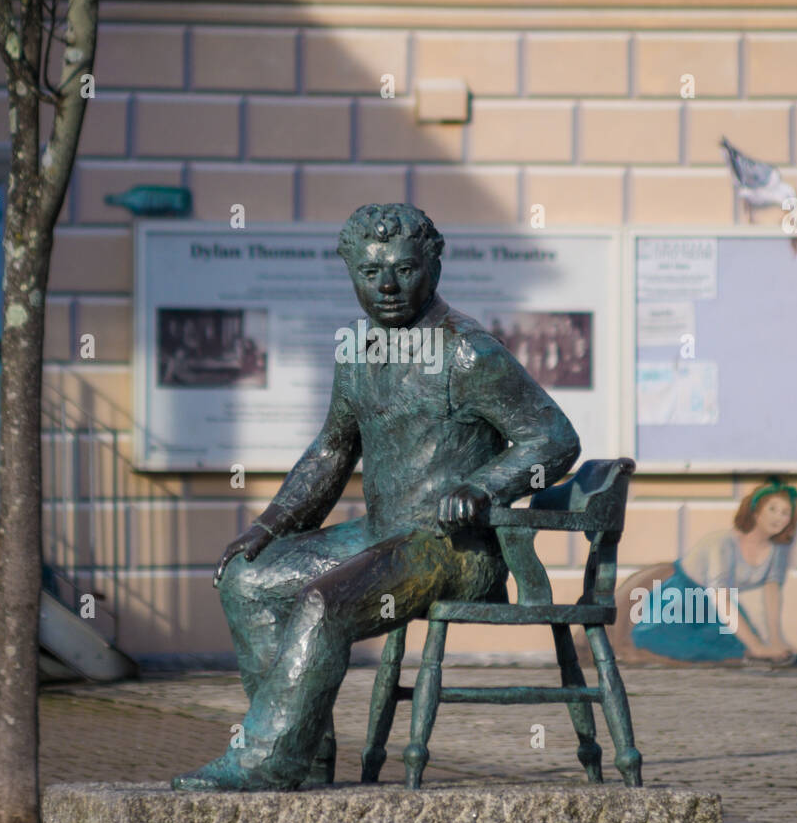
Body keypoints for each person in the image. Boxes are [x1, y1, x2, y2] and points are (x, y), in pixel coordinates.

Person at [173, 203, 580, 791]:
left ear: (433, 266)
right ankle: (305, 748)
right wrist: (270, 525)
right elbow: (332, 452)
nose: (387, 286)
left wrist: (481, 486)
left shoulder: (470, 354)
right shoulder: (357, 354)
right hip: (380, 534)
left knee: (322, 604)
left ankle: (269, 759)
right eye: (369, 273)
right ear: (351, 272)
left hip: (452, 550)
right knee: (246, 579)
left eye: (404, 270)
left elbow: (553, 438)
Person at [605, 479, 797, 665]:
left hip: (716, 606)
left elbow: (772, 593)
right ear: (755, 512)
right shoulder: (723, 543)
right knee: (679, 646)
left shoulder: (776, 551)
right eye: (772, 509)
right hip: (681, 597)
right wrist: (757, 647)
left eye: (785, 512)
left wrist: (776, 641)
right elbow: (719, 597)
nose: (779, 517)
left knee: (736, 648)